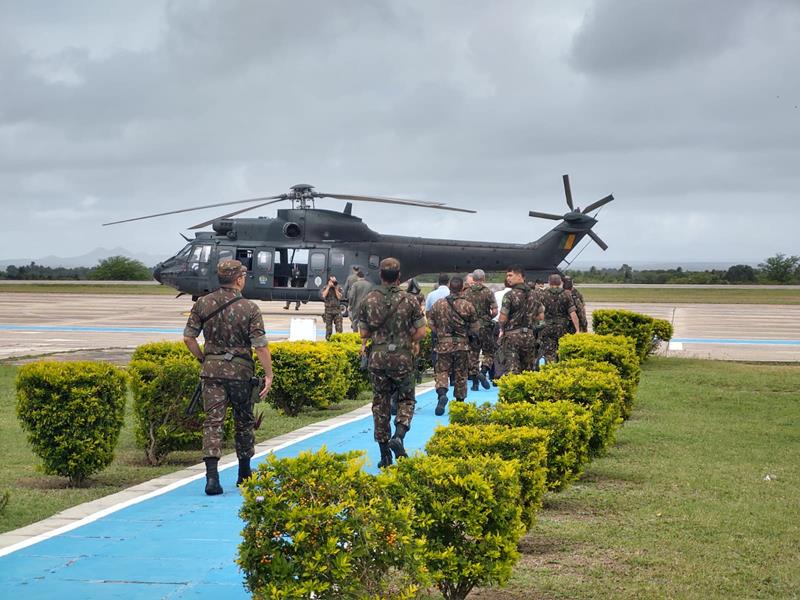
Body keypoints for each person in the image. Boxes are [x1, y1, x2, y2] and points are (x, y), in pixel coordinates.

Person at [183, 259, 274, 496]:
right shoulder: (250, 308)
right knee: (243, 421)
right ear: (239, 279)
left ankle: (212, 478)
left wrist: (204, 359)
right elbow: (260, 346)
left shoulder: (203, 303)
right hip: (241, 372)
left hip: (211, 371)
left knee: (213, 422)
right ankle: (244, 473)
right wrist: (268, 375)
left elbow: (189, 338)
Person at [358, 258, 427, 468]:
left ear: (381, 275)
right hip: (402, 358)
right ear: (399, 277)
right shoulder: (410, 300)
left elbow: (363, 332)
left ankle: (384, 454)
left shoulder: (368, 300)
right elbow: (422, 331)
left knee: (380, 403)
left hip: (377, 358)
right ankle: (399, 435)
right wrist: (407, 340)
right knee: (406, 399)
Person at [428, 276, 478, 416]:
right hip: (462, 344)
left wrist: (438, 332)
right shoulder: (467, 305)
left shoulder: (438, 304)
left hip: (443, 344)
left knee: (442, 371)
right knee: (461, 373)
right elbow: (475, 327)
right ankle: (460, 401)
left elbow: (430, 321)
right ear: (462, 288)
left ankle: (442, 394)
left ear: (450, 287)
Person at [498, 265, 542, 374]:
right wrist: (530, 317)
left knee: (512, 371)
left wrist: (502, 329)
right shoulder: (535, 294)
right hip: (529, 336)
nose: (508, 278)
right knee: (527, 372)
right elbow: (541, 316)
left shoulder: (509, 295)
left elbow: (502, 318)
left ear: (519, 276)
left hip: (512, 337)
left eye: (510, 275)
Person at [464, 269, 497, 391]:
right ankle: (484, 371)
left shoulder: (466, 293)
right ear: (483, 279)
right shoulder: (488, 292)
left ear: (473, 279)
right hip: (486, 327)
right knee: (489, 352)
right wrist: (488, 318)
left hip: (472, 328)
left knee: (473, 354)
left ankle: (475, 383)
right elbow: (494, 311)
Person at [538, 273, 581, 363]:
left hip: (547, 327)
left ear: (549, 282)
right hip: (563, 327)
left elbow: (538, 311)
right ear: (560, 282)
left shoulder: (543, 294)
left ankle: (549, 368)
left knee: (548, 352)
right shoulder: (566, 294)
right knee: (562, 351)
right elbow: (573, 313)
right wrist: (577, 329)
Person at [320, 275, 343, 339]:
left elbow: (339, 297)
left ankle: (339, 342)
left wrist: (335, 288)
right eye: (332, 281)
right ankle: (328, 341)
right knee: (328, 329)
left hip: (337, 311)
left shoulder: (338, 287)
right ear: (329, 281)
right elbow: (323, 296)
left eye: (334, 281)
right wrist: (328, 287)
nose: (333, 282)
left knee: (339, 329)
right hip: (328, 311)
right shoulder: (325, 287)